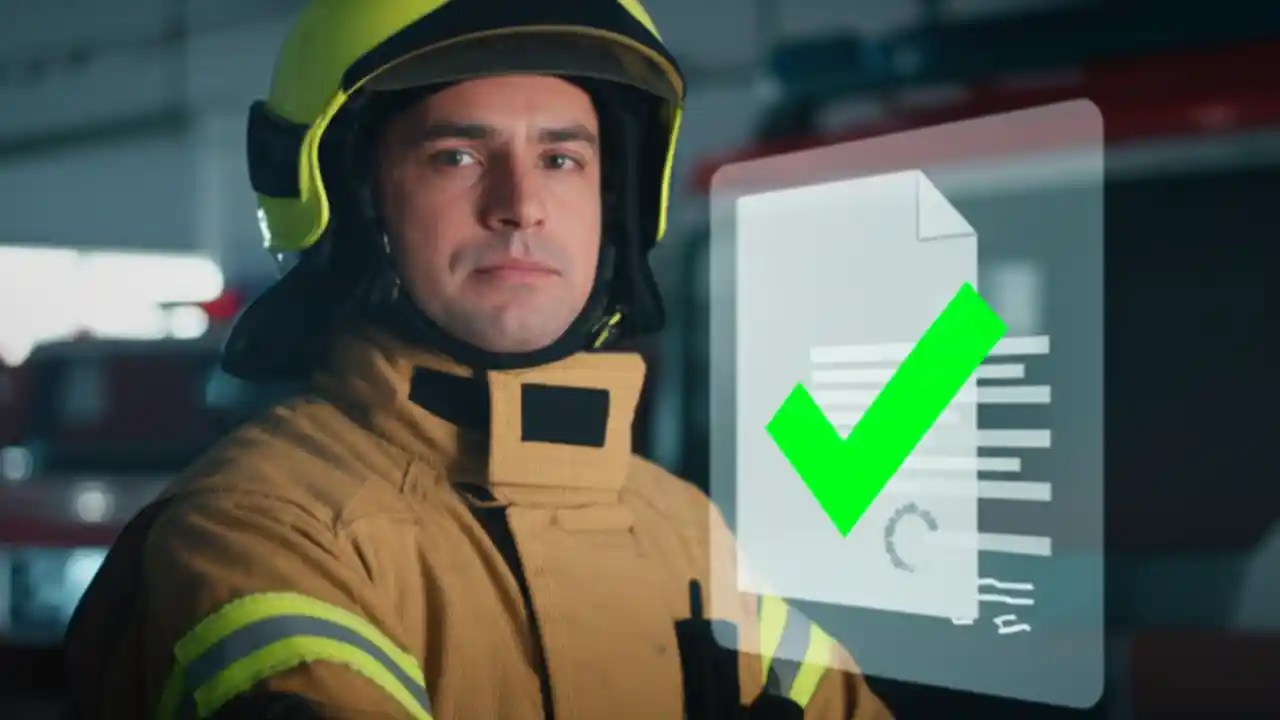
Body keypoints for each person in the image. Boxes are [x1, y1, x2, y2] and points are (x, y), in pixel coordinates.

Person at [63, 1, 893, 718]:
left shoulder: (680, 527)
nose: (522, 205)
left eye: (561, 159)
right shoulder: (256, 530)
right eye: (457, 156)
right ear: (355, 202)